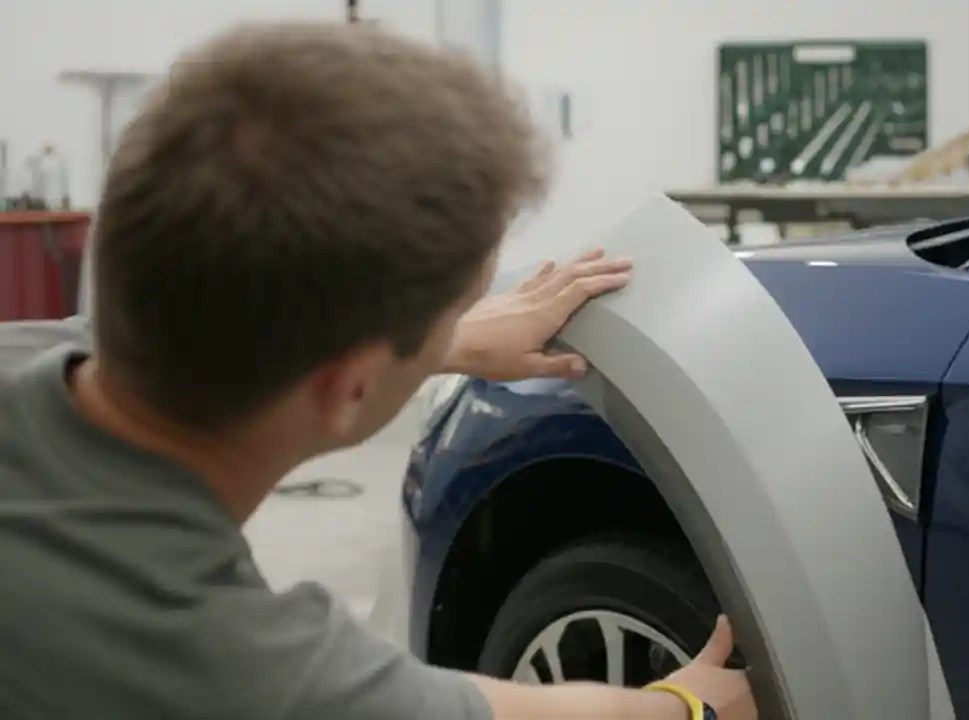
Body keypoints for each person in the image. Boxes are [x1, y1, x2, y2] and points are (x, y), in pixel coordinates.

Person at [0, 21, 757, 720]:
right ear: (346, 384)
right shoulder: (228, 668)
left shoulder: (28, 352)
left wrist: (446, 334)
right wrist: (685, 707)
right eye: (439, 328)